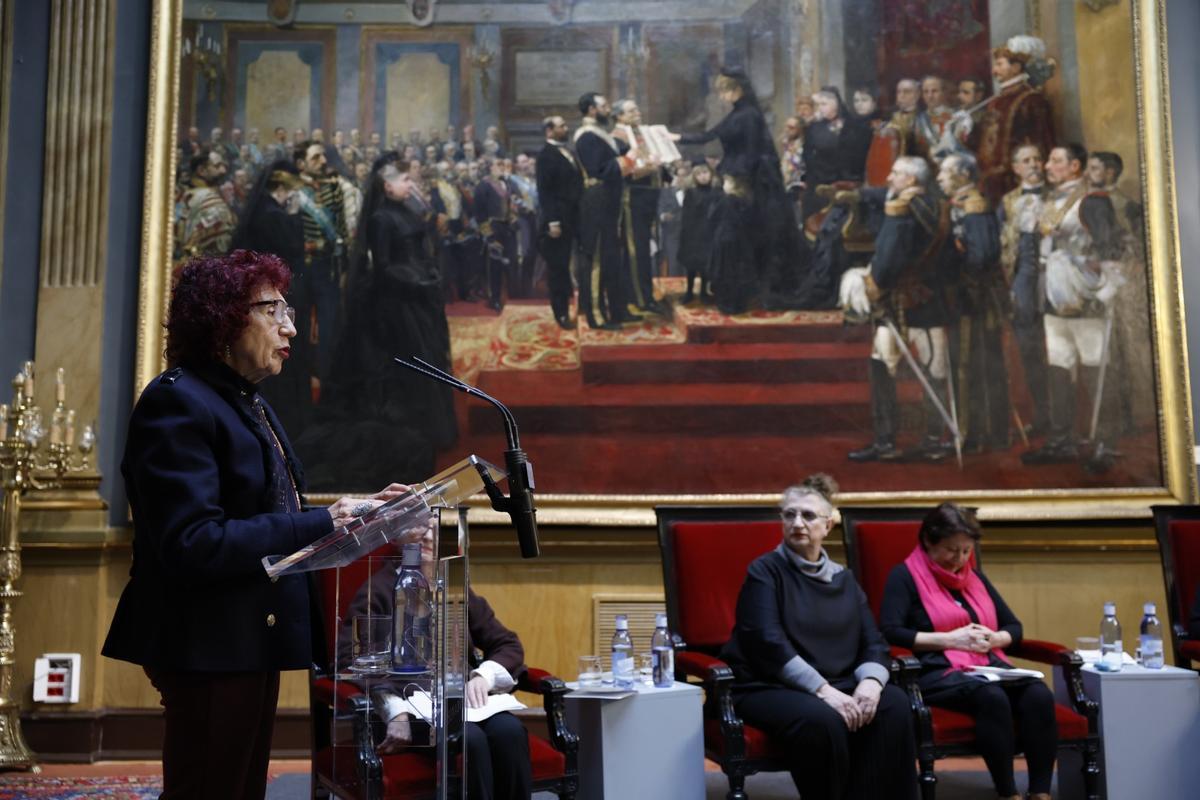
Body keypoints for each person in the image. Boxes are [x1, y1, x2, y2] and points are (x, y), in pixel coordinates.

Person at [102, 250, 404, 799]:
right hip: (206, 640)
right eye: (272, 310)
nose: (290, 325)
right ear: (220, 318)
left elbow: (274, 510)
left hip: (245, 636)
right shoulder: (178, 403)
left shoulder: (243, 401)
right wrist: (317, 523)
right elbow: (191, 542)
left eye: (286, 309)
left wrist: (358, 511)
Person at [720, 474, 918, 800]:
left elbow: (873, 641)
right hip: (766, 685)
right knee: (822, 720)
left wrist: (871, 683)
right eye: (789, 515)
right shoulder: (764, 571)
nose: (798, 522)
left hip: (836, 683)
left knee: (893, 704)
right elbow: (766, 642)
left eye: (808, 515)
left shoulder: (845, 578)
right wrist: (823, 690)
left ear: (828, 526)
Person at [880, 503, 1057, 800]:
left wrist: (994, 638)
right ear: (928, 541)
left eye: (966, 551)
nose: (959, 560)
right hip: (934, 670)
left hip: (986, 665)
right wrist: (950, 640)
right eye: (951, 550)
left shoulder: (974, 577)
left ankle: (1041, 792)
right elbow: (890, 632)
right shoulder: (905, 576)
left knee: (1039, 693)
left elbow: (1014, 627)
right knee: (991, 696)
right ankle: (1007, 792)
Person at [343, 531, 532, 800]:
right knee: (471, 741)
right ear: (399, 538)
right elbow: (351, 658)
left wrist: (482, 677)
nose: (430, 536)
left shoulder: (455, 588)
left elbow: (507, 644)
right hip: (411, 705)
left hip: (465, 701)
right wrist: (394, 710)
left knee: (510, 733)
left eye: (435, 527)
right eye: (420, 529)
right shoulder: (379, 589)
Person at [848, 157, 954, 463]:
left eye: (895, 173)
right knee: (934, 370)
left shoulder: (901, 209)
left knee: (883, 365)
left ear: (910, 180)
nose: (890, 178)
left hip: (898, 302)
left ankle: (886, 442)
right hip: (932, 301)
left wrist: (872, 286)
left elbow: (887, 261)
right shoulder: (938, 206)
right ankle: (934, 440)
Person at [674, 68, 810, 307]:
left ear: (737, 90)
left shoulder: (748, 116)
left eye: (724, 91)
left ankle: (741, 293)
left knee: (737, 238)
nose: (721, 96)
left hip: (749, 185)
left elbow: (751, 153)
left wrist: (735, 182)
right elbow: (710, 135)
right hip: (736, 179)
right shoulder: (738, 113)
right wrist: (677, 138)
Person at [939, 154, 1009, 451]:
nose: (939, 177)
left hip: (975, 299)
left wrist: (959, 279)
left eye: (945, 172)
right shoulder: (960, 203)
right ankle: (970, 431)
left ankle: (981, 435)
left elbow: (980, 257)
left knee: (975, 365)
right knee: (965, 365)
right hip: (965, 297)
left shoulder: (974, 205)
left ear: (963, 175)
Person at [998, 144, 1051, 437]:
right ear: (1016, 168)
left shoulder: (1057, 196)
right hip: (1021, 280)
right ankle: (1041, 415)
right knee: (1029, 349)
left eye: (1037, 159)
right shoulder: (1007, 202)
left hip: (1052, 278)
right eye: (1025, 160)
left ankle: (1064, 423)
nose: (1033, 164)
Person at [574, 91, 636, 329]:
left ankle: (618, 311)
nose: (608, 109)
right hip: (597, 202)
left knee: (612, 258)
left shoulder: (600, 135)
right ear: (592, 110)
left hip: (610, 201)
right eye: (604, 106)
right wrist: (629, 158)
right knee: (598, 260)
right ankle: (597, 316)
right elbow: (598, 169)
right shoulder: (587, 136)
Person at [976, 35, 1056, 203]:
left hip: (1015, 180)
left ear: (1016, 67)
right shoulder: (996, 101)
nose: (994, 71)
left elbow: (1041, 143)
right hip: (990, 181)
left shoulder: (1031, 100)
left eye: (999, 65)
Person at [536, 115, 584, 329]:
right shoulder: (546, 155)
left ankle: (578, 305)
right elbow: (545, 192)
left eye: (565, 124)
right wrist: (552, 221)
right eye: (561, 126)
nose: (566, 128)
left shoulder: (568, 151)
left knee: (573, 264)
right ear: (549, 131)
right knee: (559, 267)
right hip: (558, 220)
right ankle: (561, 312)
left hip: (575, 216)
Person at [678, 161, 719, 304]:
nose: (703, 177)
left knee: (705, 265)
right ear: (694, 176)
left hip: (709, 232)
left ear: (711, 174)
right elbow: (686, 214)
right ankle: (689, 291)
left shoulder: (716, 192)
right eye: (699, 174)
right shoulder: (691, 192)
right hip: (693, 233)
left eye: (705, 173)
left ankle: (703, 291)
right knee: (691, 264)